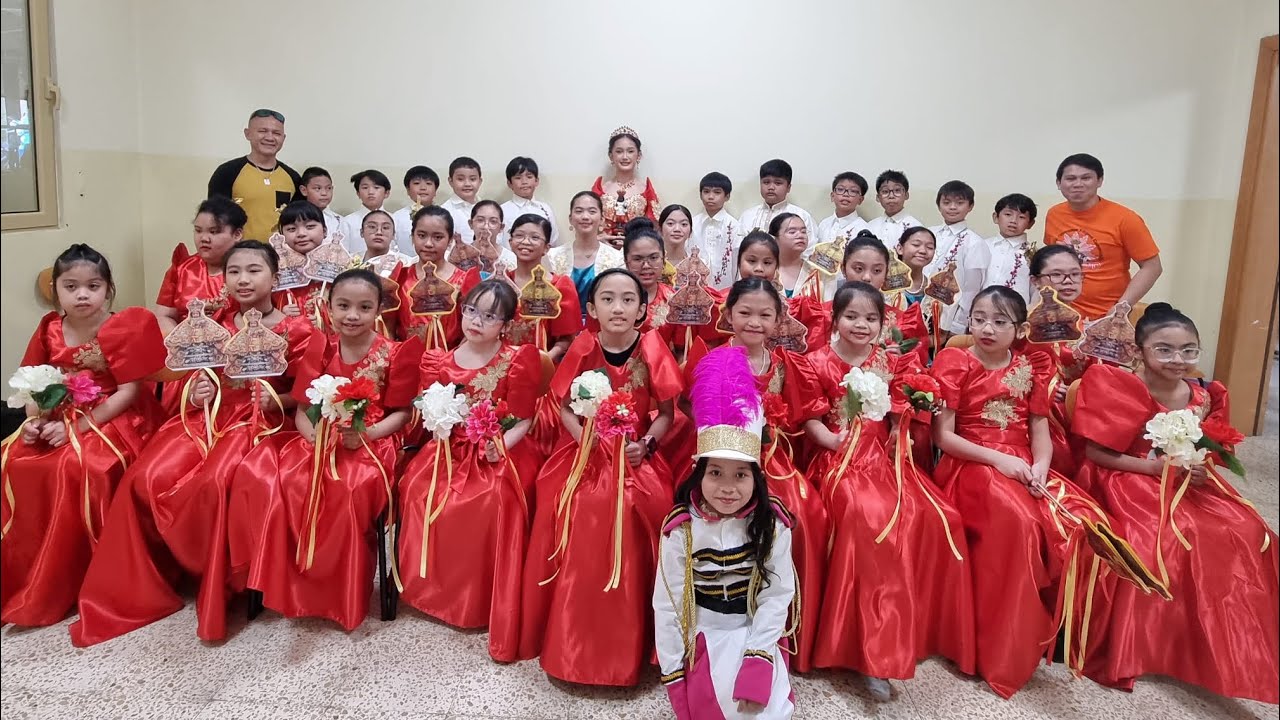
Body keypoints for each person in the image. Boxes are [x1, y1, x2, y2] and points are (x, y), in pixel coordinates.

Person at [69, 240, 325, 646]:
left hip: (262, 423)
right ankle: (150, 584)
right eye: (234, 271)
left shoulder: (299, 330)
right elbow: (189, 372)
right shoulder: (211, 322)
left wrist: (280, 398)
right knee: (146, 476)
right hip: (208, 415)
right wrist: (197, 389)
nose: (242, 279)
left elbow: (308, 392)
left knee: (215, 482)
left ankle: (219, 583)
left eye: (254, 270)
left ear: (275, 277)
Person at [1074, 304, 1278, 704]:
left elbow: (1214, 451)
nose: (1178, 360)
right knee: (1159, 535)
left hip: (1187, 482)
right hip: (1126, 477)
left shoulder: (1204, 395)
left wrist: (1201, 467)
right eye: (1164, 350)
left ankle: (1222, 640)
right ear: (1139, 352)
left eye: (1189, 350)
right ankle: (1149, 644)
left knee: (1245, 530)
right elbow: (1097, 454)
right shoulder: (1118, 385)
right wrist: (1154, 471)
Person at [930, 286, 1108, 698]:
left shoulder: (1032, 366)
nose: (986, 328)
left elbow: (1039, 431)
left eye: (999, 321)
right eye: (978, 318)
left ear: (1020, 328)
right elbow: (944, 436)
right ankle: (1003, 647)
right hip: (972, 463)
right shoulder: (956, 361)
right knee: (1023, 523)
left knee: (1087, 523)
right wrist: (999, 461)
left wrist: (1042, 467)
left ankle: (1058, 640)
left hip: (1026, 464)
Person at [804, 282, 974, 700]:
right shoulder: (815, 362)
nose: (861, 325)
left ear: (883, 324)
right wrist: (833, 441)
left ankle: (924, 634)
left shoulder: (892, 362)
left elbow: (904, 419)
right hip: (838, 460)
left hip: (887, 459)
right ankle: (873, 653)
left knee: (941, 518)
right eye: (852, 316)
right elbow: (808, 419)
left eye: (871, 318)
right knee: (871, 517)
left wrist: (909, 415)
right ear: (835, 319)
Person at [232, 269, 422, 631]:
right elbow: (303, 409)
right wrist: (312, 440)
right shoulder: (321, 348)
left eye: (364, 307)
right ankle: (292, 587)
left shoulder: (397, 353)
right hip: (318, 438)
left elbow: (401, 414)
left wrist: (365, 435)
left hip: (374, 441)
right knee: (289, 482)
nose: (353, 315)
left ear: (379, 309)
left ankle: (341, 594)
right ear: (329, 308)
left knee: (348, 489)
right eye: (344, 306)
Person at [519, 269, 682, 686]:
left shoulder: (651, 346)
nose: (618, 307)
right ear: (590, 309)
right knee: (570, 500)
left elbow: (666, 415)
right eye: (607, 299)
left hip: (634, 453)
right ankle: (570, 630)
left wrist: (646, 444)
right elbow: (564, 408)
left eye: (628, 300)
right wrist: (585, 442)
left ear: (643, 309)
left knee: (642, 505)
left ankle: (636, 633)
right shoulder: (583, 346)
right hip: (585, 451)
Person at [1, 245, 165, 627]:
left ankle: (85, 574)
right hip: (57, 413)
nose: (82, 295)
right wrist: (34, 420)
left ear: (109, 289)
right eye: (70, 286)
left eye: (93, 285)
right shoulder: (48, 329)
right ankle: (32, 574)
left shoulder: (123, 326)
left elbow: (129, 391)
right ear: (55, 290)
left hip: (114, 416)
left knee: (80, 465)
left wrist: (75, 428)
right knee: (16, 462)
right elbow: (31, 383)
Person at [685, 278, 827, 673]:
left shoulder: (784, 363)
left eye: (765, 314)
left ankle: (787, 631)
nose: (754, 321)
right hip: (723, 458)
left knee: (804, 511)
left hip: (773, 457)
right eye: (744, 312)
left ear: (779, 319)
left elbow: (803, 417)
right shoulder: (713, 359)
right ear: (728, 314)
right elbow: (702, 421)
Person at [399, 280, 541, 662]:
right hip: (449, 447)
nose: (477, 321)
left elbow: (524, 419)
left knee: (494, 498)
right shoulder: (438, 359)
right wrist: (441, 428)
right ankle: (431, 590)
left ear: (506, 324)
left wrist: (499, 448)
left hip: (500, 446)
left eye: (490, 315)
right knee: (416, 487)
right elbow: (429, 413)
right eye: (472, 311)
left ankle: (478, 600)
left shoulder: (517, 358)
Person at [654, 345, 797, 720]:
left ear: (757, 478)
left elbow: (777, 595)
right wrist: (675, 682)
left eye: (741, 475)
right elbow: (667, 607)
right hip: (702, 636)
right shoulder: (680, 530)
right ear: (699, 474)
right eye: (715, 473)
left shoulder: (773, 524)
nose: (728, 488)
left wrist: (758, 660)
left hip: (755, 635)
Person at [1043, 153, 1162, 320]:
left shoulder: (1125, 218)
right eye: (1070, 178)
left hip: (1107, 316)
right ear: (1058, 183)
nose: (1078, 184)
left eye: (1086, 178)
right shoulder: (1054, 214)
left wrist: (1121, 306)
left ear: (1099, 181)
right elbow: (1050, 261)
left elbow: (1152, 267)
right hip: (1061, 313)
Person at [1028, 245, 1091, 478]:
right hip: (1038, 411)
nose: (1068, 281)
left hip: (1080, 409)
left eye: (1075, 274)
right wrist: (1048, 388)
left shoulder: (1089, 328)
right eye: (1056, 275)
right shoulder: (1023, 325)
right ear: (1035, 281)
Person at [154, 197, 247, 334]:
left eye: (213, 232)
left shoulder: (251, 271)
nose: (204, 238)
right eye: (198, 230)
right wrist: (182, 343)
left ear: (237, 234)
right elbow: (164, 316)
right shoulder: (182, 269)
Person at [207, 108, 302, 241]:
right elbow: (214, 219)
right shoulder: (227, 173)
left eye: (276, 133)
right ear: (248, 134)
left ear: (283, 138)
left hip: (280, 257)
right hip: (237, 256)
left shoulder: (293, 178)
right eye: (262, 131)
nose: (269, 137)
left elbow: (299, 222)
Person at [393, 206, 467, 350]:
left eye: (438, 237)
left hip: (450, 363)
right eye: (421, 235)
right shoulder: (399, 277)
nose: (428, 244)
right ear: (412, 237)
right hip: (407, 362)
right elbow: (389, 326)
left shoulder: (464, 281)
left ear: (450, 240)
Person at [925, 180, 990, 340]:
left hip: (947, 316)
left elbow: (971, 290)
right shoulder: (928, 233)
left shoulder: (974, 243)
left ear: (970, 206)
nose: (952, 207)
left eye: (959, 203)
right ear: (939, 205)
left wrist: (958, 326)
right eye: (947, 202)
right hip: (917, 307)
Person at [545, 191, 624, 317]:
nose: (585, 217)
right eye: (579, 211)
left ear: (602, 220)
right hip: (561, 328)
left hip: (601, 329)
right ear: (570, 219)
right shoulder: (553, 256)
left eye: (592, 211)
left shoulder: (617, 258)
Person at [592, 126, 661, 248]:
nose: (625, 157)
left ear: (638, 156)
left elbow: (656, 229)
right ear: (611, 156)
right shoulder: (600, 190)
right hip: (603, 252)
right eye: (619, 151)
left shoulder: (646, 191)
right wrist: (597, 239)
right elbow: (588, 225)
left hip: (637, 253)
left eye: (630, 151)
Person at [739, 159, 817, 243]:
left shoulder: (802, 217)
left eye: (778, 183)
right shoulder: (747, 216)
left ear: (788, 187)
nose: (771, 187)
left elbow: (810, 250)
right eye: (766, 182)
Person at [691, 171, 739, 290]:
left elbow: (738, 262)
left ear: (727, 196)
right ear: (700, 194)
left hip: (726, 290)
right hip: (694, 289)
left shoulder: (735, 226)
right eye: (706, 191)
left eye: (717, 192)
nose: (710, 197)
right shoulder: (691, 224)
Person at [986, 193, 1037, 304]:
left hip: (1015, 314)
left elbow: (1036, 292)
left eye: (1021, 217)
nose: (1013, 221)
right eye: (1008, 214)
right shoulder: (982, 246)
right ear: (996, 217)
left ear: (1031, 223)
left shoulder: (1034, 255)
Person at [501, 156, 560, 247]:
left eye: (529, 177)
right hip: (509, 260)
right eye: (518, 178)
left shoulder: (545, 209)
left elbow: (553, 240)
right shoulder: (502, 210)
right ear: (509, 183)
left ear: (536, 181)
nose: (524, 181)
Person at [391, 166, 441, 256]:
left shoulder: (444, 216)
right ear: (408, 190)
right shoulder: (397, 217)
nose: (423, 188)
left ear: (435, 190)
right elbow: (391, 247)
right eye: (417, 183)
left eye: (428, 183)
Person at [865, 170, 922, 248]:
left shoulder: (916, 227)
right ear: (878, 197)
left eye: (897, 190)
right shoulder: (870, 226)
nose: (891, 196)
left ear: (906, 195)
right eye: (885, 191)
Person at [340, 170, 392, 254]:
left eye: (376, 187)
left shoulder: (394, 219)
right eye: (365, 188)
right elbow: (342, 252)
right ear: (358, 193)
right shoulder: (348, 222)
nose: (370, 192)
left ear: (386, 193)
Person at [816, 172, 870, 245]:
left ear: (860, 200)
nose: (845, 194)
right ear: (832, 196)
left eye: (853, 191)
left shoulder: (864, 229)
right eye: (841, 189)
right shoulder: (824, 224)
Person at [357, 209, 413, 277]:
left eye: (385, 228)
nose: (379, 232)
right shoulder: (349, 262)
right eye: (372, 227)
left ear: (393, 235)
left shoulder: (406, 264)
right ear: (361, 232)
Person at [443, 157, 483, 244]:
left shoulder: (487, 208)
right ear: (450, 181)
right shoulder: (444, 212)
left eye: (472, 179)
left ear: (480, 181)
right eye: (460, 179)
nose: (467, 184)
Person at [298, 166, 342, 239]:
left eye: (328, 188)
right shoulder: (295, 218)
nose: (324, 193)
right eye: (317, 188)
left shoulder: (340, 221)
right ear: (304, 190)